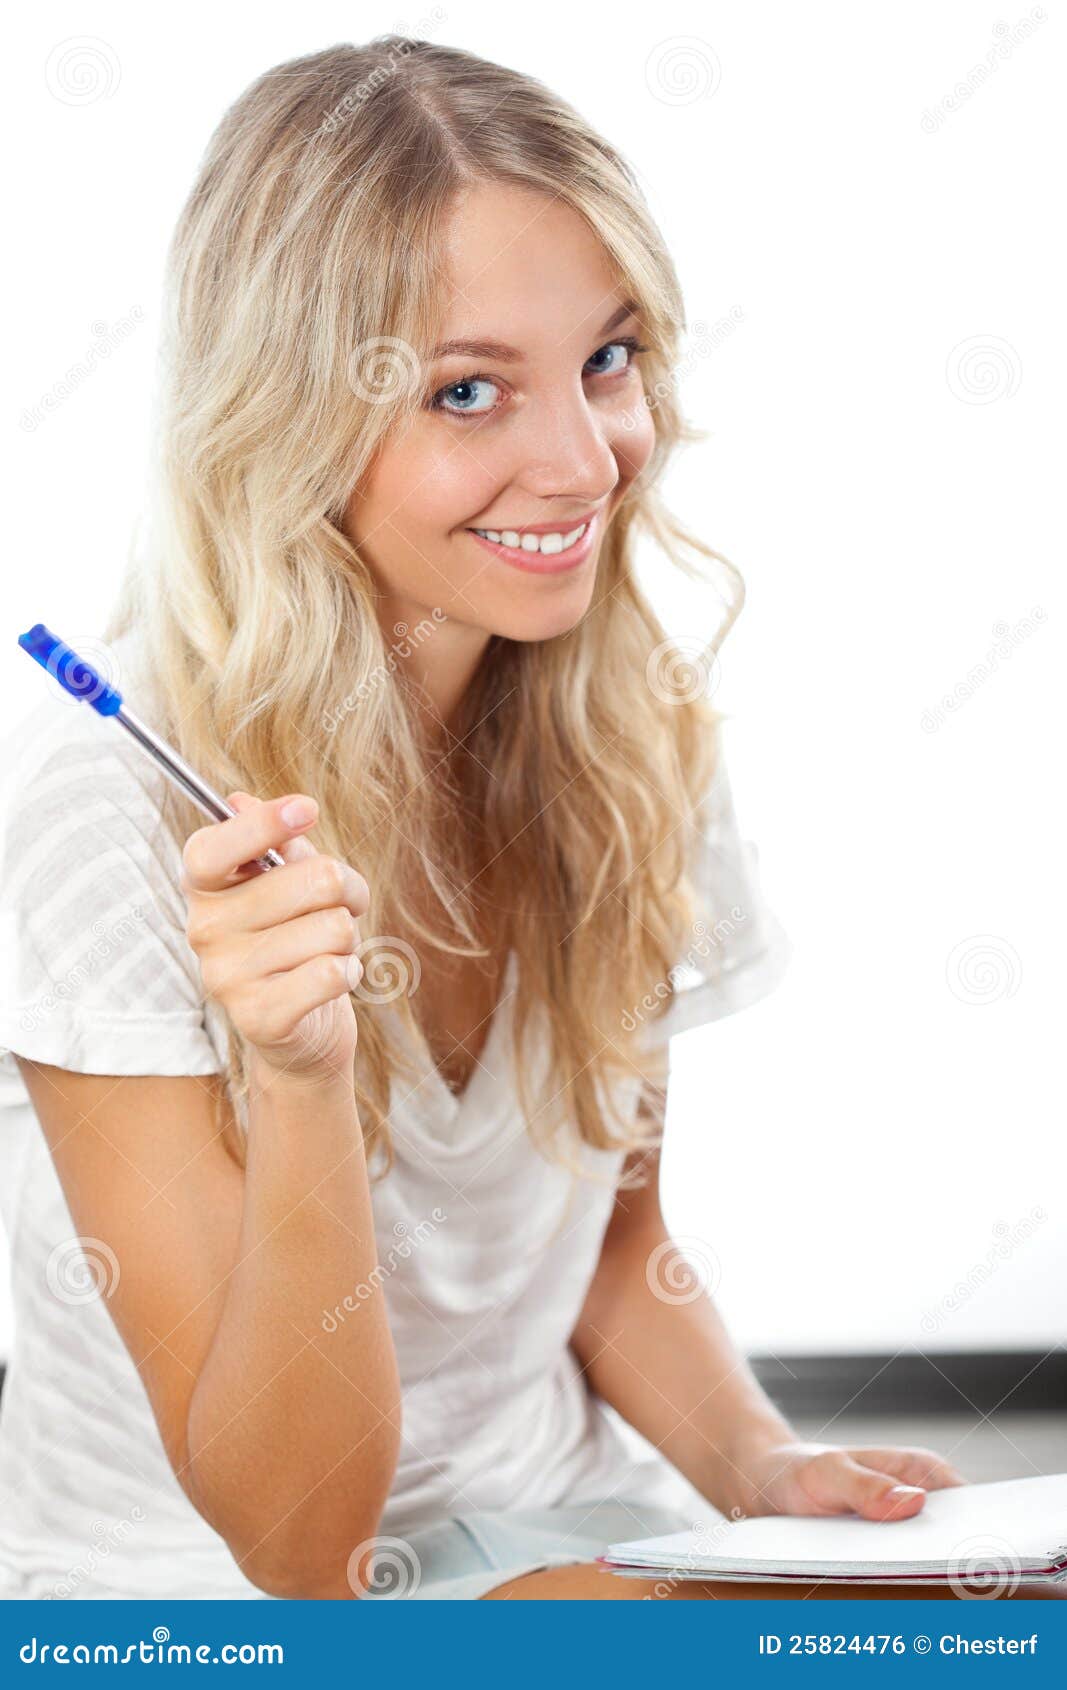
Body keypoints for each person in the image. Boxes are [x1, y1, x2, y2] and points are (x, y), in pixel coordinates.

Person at [0, 37, 1048, 1604]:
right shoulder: (100, 819)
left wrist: (759, 1473)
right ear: (284, 414)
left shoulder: (627, 732)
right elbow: (299, 1543)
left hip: (564, 1524)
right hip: (193, 1601)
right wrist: (300, 1080)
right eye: (467, 390)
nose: (580, 461)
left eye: (608, 360)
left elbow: (610, 1260)